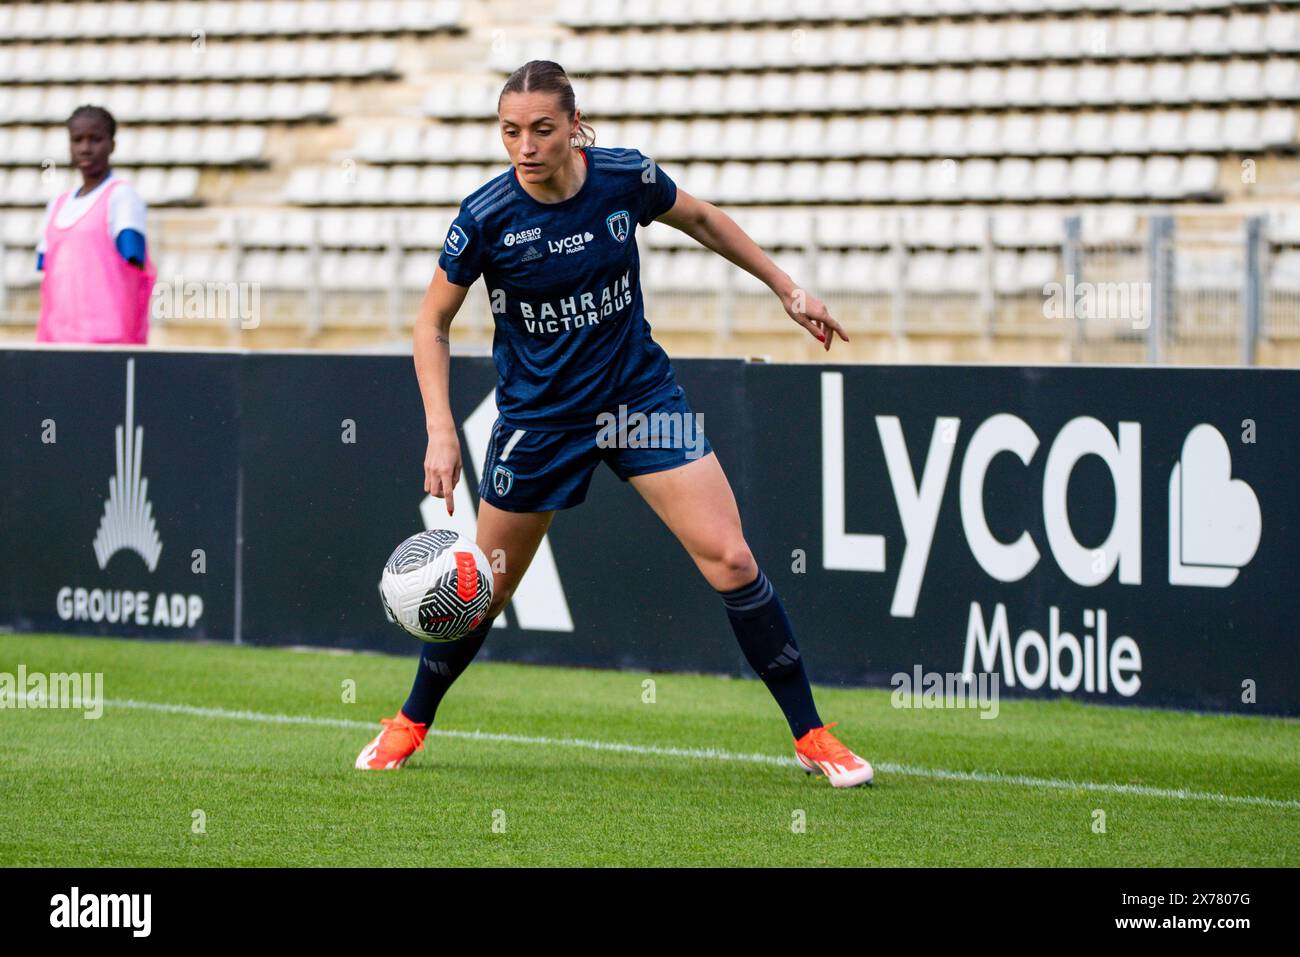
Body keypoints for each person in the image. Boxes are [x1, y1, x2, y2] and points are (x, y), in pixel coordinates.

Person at [356, 61, 872, 788]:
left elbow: (700, 218)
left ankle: (812, 734)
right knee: (487, 588)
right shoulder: (484, 218)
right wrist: (441, 428)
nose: (525, 146)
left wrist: (787, 287)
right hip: (540, 421)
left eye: (541, 129)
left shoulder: (623, 179)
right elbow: (431, 323)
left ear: (574, 125)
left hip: (640, 402)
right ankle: (409, 722)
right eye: (510, 132)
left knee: (731, 558)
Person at [36, 105, 155, 344]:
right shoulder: (57, 204)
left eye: (95, 139)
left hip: (109, 344)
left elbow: (137, 265)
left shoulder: (121, 197)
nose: (85, 148)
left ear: (112, 145)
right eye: (77, 140)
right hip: (58, 342)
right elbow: (47, 274)